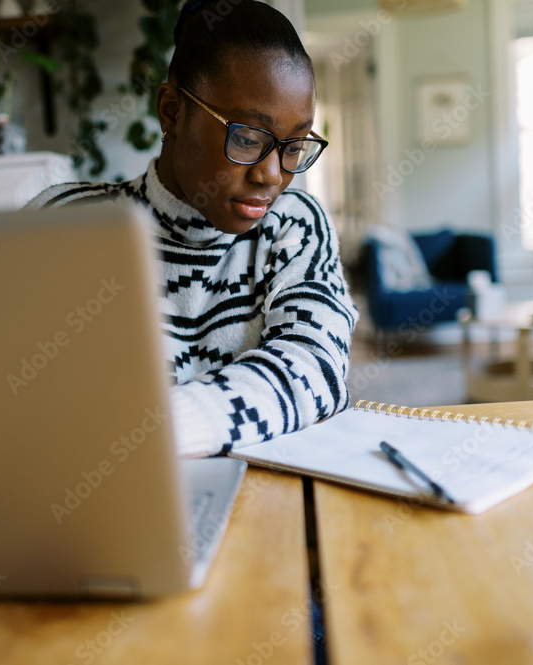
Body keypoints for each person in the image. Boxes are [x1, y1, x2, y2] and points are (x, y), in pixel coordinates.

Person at [26, 0, 358, 458]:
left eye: (294, 145)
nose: (273, 175)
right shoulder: (67, 226)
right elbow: (18, 394)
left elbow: (314, 368)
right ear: (171, 113)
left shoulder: (294, 225)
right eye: (246, 137)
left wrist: (146, 432)